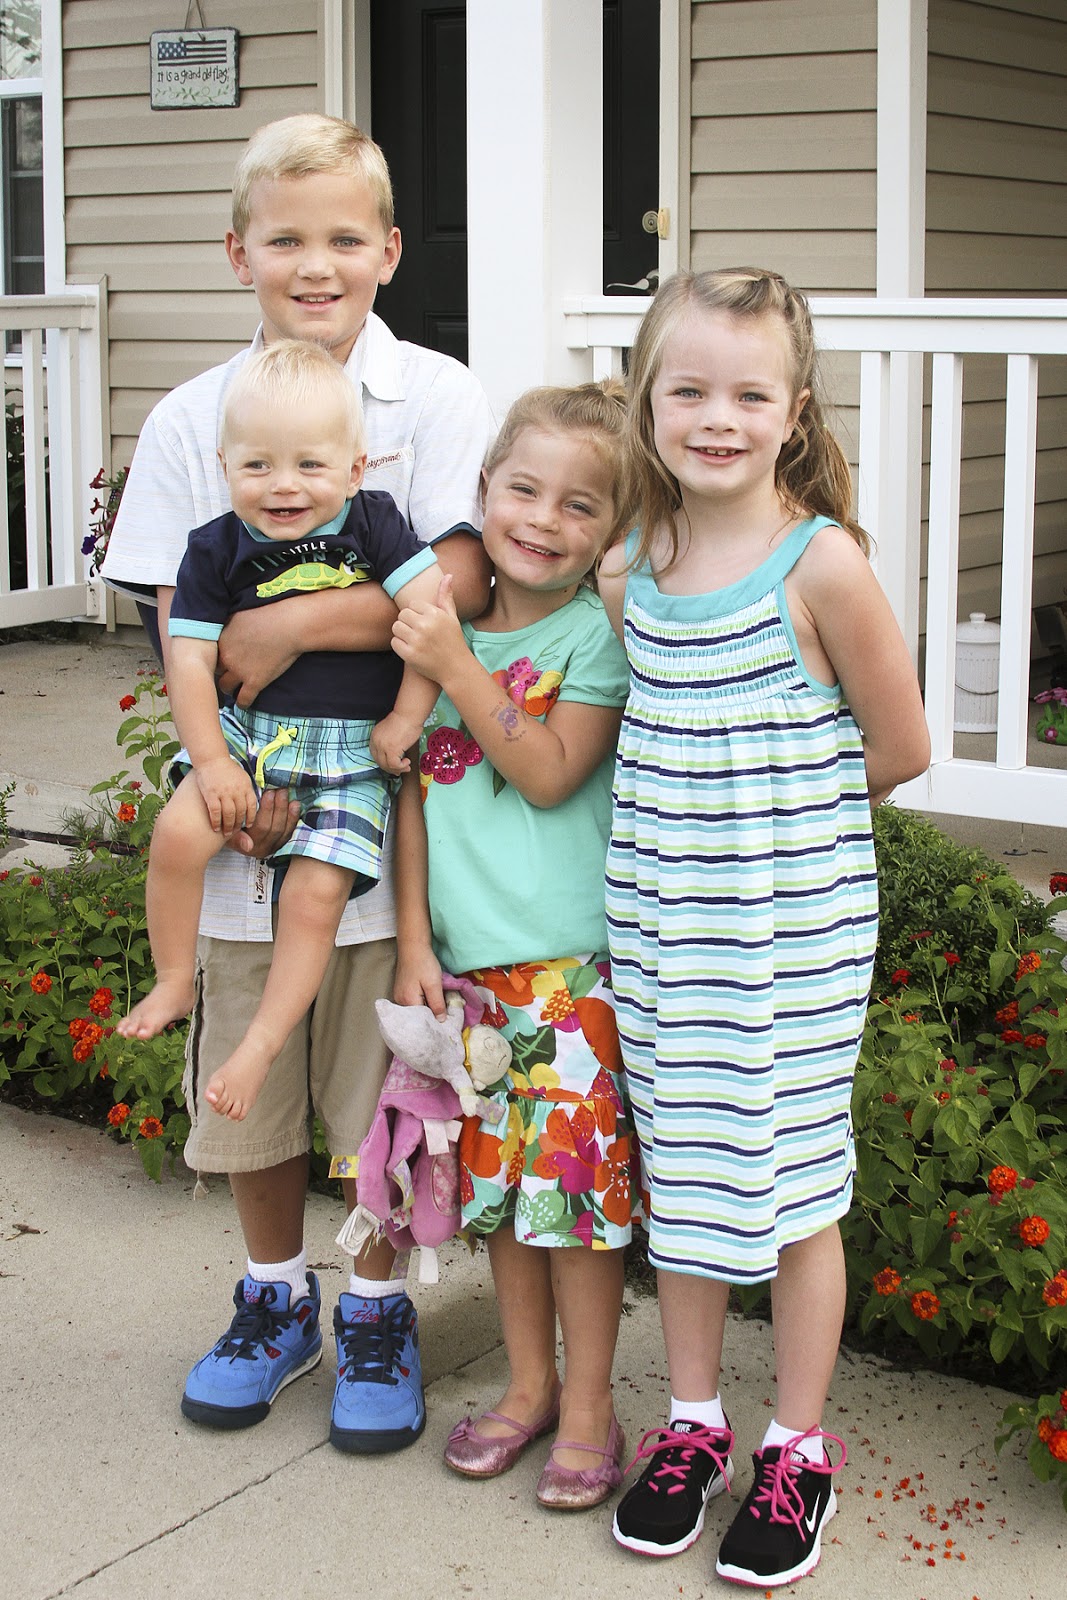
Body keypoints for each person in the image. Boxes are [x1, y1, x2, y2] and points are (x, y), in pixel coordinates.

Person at [101, 113, 494, 1452]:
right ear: (238, 252)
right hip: (248, 789)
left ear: (389, 249)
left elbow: (453, 592)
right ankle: (275, 1299)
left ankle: (373, 1305)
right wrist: (215, 750)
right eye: (285, 239)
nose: (314, 264)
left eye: (343, 238)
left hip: (379, 801)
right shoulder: (187, 415)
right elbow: (180, 612)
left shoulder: (433, 398)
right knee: (249, 1080)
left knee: (368, 1084)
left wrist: (285, 629)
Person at [598, 267, 930, 1585]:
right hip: (665, 937)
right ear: (647, 402)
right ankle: (690, 1425)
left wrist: (771, 828)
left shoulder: (821, 564)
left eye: (746, 392)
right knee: (683, 1179)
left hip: (788, 944)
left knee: (788, 1192)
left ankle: (797, 1447)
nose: (714, 416)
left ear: (791, 411)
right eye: (687, 389)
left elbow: (896, 748)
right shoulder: (634, 567)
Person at [390, 382, 636, 1510]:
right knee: (498, 1198)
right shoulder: (439, 636)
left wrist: (452, 664)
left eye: (577, 505)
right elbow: (411, 806)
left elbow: (543, 772)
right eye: (521, 489)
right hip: (464, 976)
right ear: (482, 491)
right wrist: (411, 945)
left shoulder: (589, 638)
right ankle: (528, 1385)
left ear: (611, 529)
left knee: (574, 1206)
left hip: (566, 972)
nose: (541, 518)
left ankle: (589, 1404)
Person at [117, 339, 444, 1125]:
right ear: (225, 462)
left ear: (356, 467)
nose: (283, 485)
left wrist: (407, 714)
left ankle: (261, 1041)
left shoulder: (376, 526)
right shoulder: (214, 546)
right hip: (251, 738)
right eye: (257, 465)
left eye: (309, 464)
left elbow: (432, 610)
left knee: (314, 895)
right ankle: (171, 976)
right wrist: (211, 762)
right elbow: (189, 662)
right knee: (177, 836)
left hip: (352, 754)